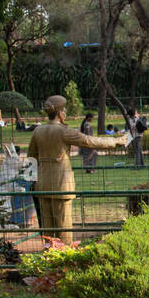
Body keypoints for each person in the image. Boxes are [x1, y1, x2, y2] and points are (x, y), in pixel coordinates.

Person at [28, 95, 129, 244]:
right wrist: (116, 141)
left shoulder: (38, 131)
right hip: (61, 185)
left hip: (42, 185)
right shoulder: (63, 131)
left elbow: (32, 156)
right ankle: (64, 259)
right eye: (64, 111)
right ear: (59, 113)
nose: (65, 114)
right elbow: (89, 141)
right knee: (63, 229)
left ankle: (48, 257)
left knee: (48, 231)